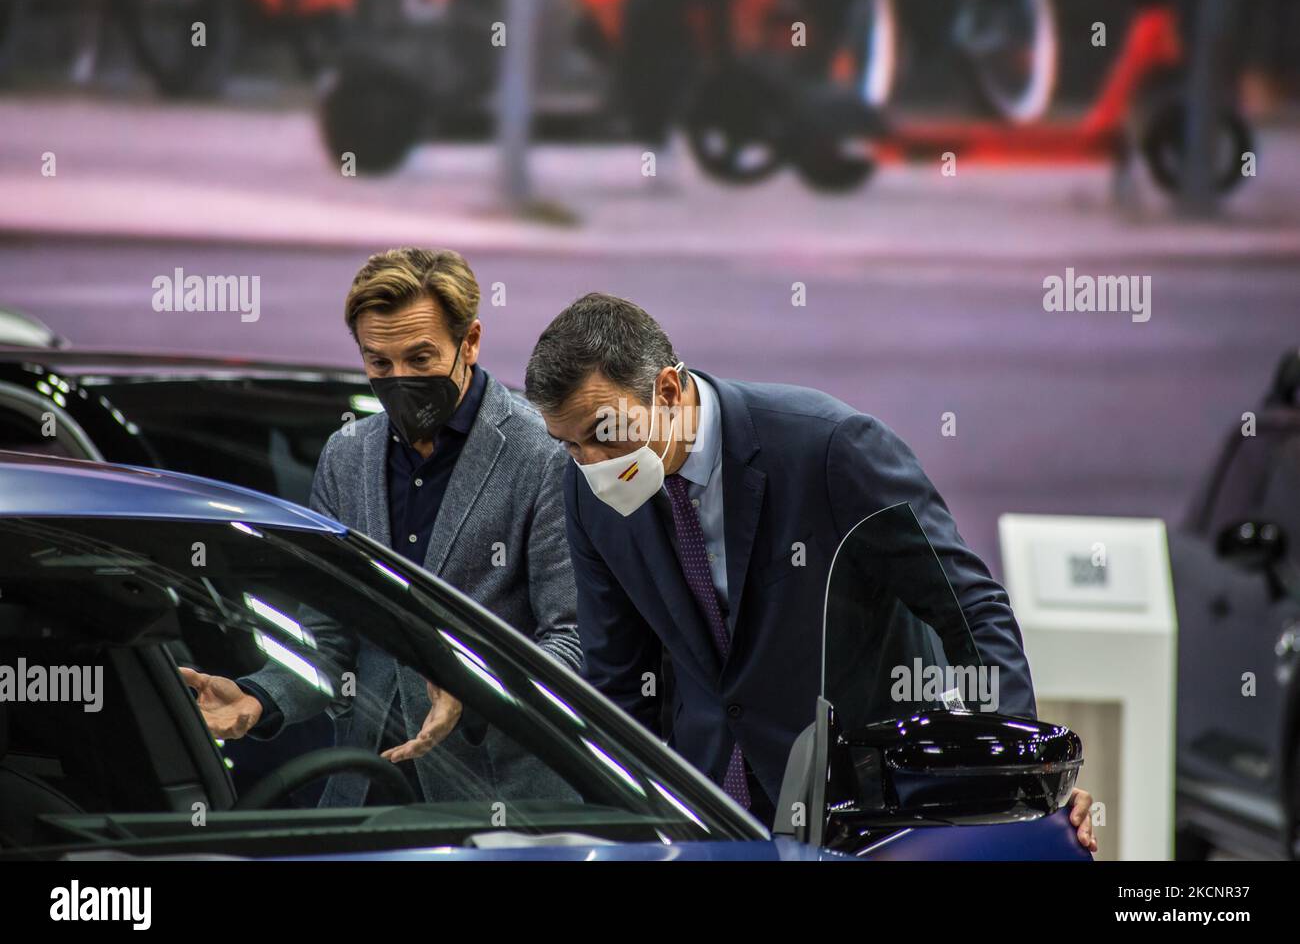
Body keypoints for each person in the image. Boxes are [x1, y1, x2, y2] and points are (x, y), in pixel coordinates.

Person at [524, 292, 1096, 851]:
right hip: (706, 815)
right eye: (570, 446)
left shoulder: (829, 448)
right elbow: (619, 681)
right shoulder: (588, 494)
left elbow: (969, 610)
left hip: (863, 811)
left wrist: (1015, 786)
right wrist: (626, 833)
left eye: (603, 433)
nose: (593, 464)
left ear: (668, 390)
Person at [182, 248, 581, 805]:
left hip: (500, 800)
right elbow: (329, 637)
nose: (399, 380)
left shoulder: (543, 455)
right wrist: (258, 698)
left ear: (470, 342)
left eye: (420, 359)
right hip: (366, 788)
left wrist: (474, 689)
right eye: (379, 363)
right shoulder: (347, 455)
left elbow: (573, 640)